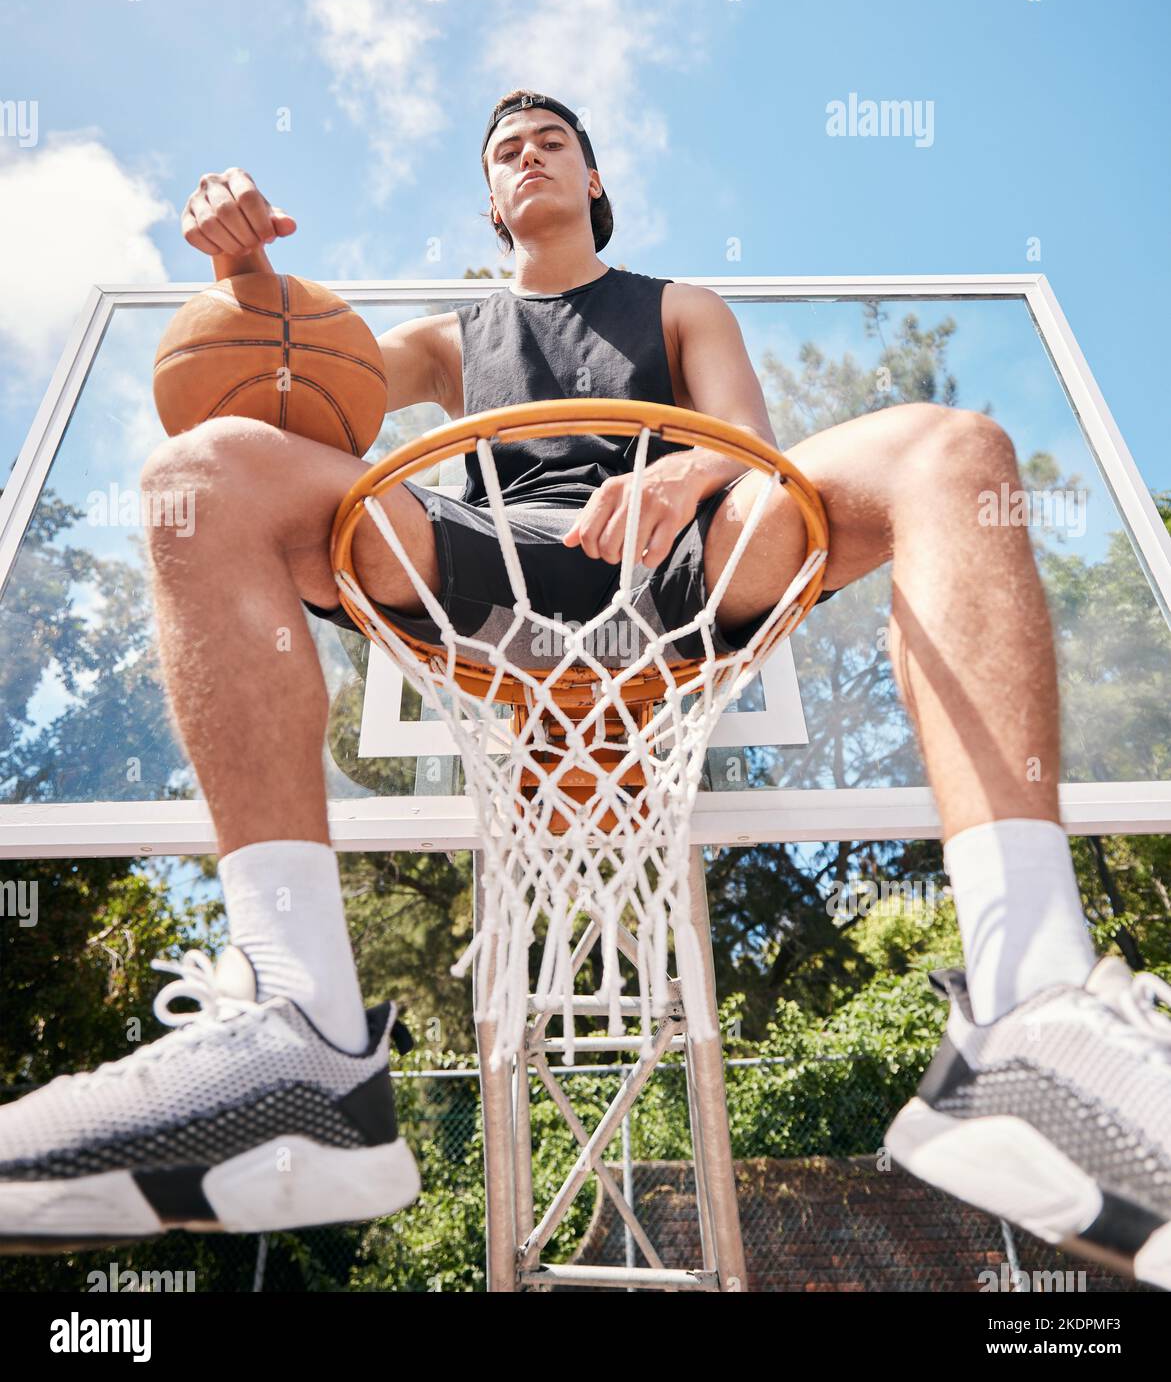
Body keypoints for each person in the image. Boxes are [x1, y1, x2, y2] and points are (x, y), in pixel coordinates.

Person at [2, 88, 1169, 1288]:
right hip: (485, 570)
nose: (527, 156)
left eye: (550, 141)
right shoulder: (453, 336)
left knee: (951, 451)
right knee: (204, 473)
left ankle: (1027, 1008)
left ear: (593, 181)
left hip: (672, 565)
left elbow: (744, 434)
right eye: (505, 151)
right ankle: (296, 1030)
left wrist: (689, 472)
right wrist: (247, 277)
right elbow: (310, 368)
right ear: (492, 198)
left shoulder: (677, 304)